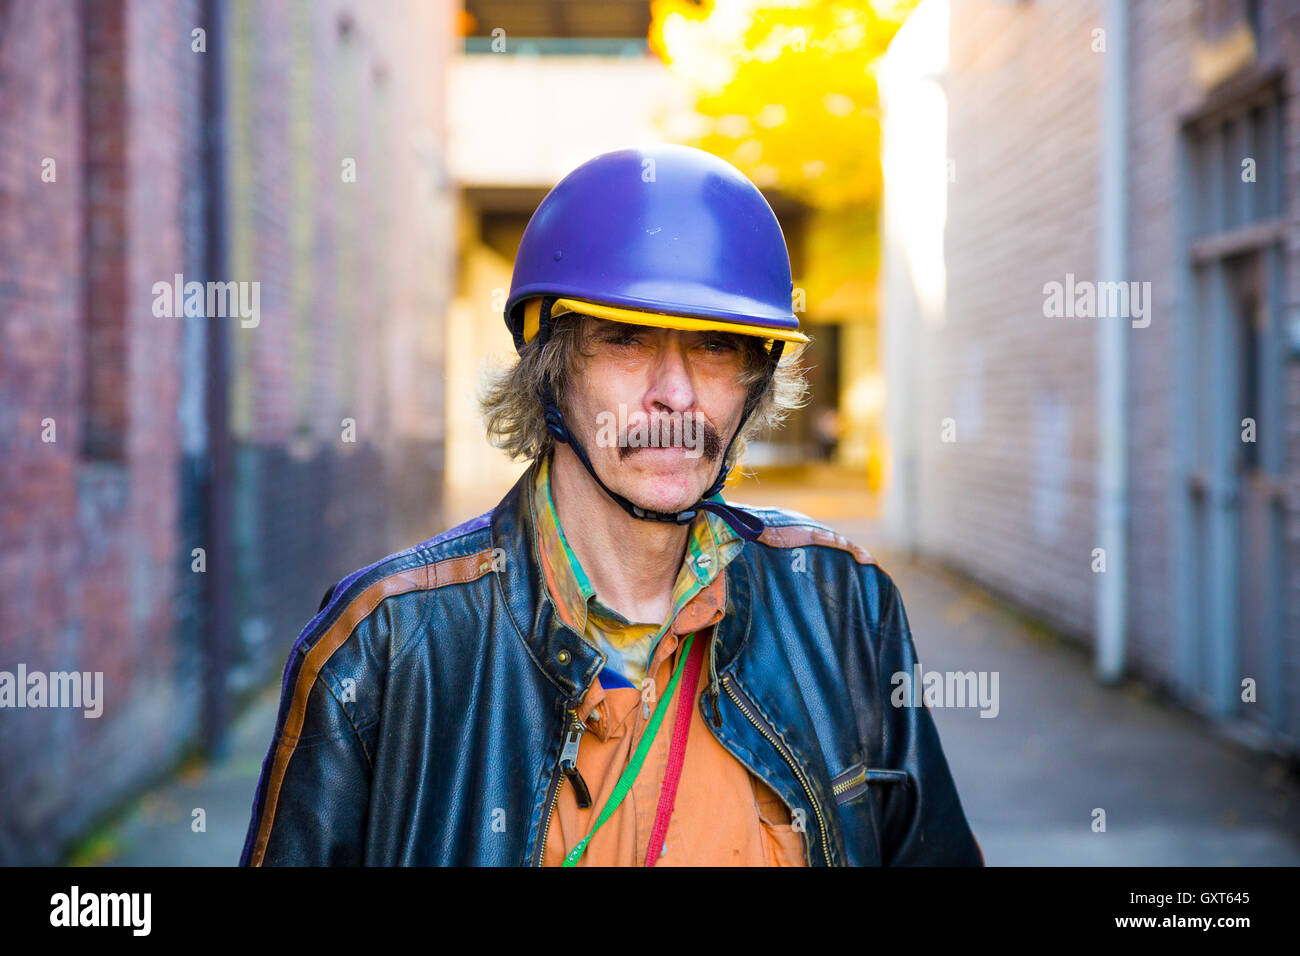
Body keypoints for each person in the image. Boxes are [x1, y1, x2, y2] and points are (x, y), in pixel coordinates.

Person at [239, 144, 984, 866]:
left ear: (755, 382)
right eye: (625, 341)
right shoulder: (385, 645)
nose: (678, 393)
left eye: (717, 347)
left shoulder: (842, 603)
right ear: (550, 371)